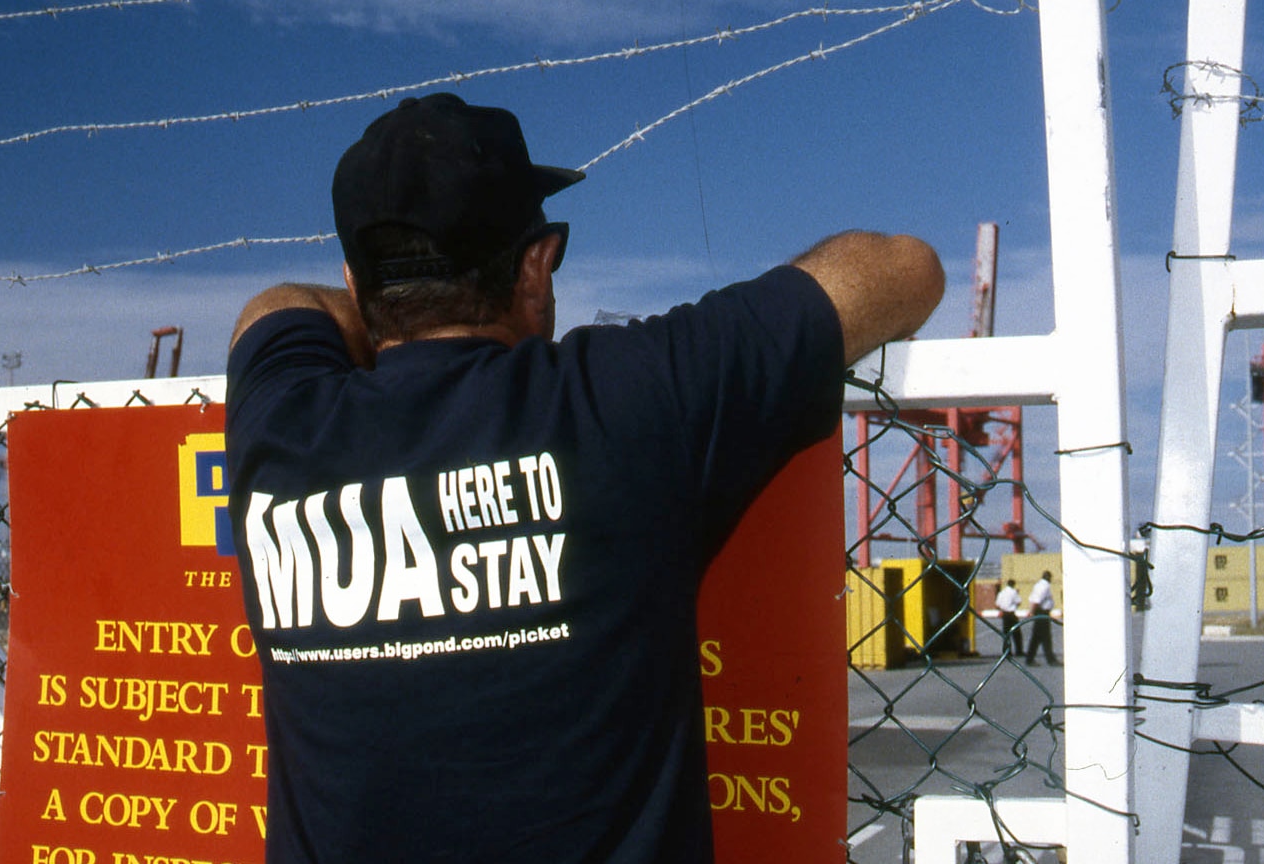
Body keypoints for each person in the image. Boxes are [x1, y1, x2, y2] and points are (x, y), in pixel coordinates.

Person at [225, 92, 944, 863]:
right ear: (536, 267)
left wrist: (385, 309)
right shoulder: (628, 395)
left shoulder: (281, 423)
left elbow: (276, 305)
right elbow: (906, 268)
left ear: (355, 280)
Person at [1024, 571, 1059, 666]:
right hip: (1042, 612)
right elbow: (1037, 600)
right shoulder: (1044, 586)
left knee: (1037, 637)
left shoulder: (1038, 585)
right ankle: (1050, 659)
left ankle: (1030, 658)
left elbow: (1033, 599)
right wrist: (1032, 611)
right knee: (1045, 637)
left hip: (1040, 612)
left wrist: (1032, 611)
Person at [995, 578, 1023, 656]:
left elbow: (997, 604)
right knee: (1017, 633)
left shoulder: (1002, 592)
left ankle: (1007, 650)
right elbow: (1018, 602)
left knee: (1006, 633)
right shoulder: (1013, 592)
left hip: (1005, 614)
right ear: (1013, 585)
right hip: (1011, 613)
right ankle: (1019, 650)